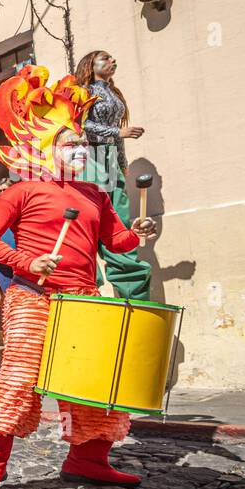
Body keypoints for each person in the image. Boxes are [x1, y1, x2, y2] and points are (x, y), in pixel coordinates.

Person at [0, 64, 158, 489]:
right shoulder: (21, 191)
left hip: (83, 300)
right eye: (71, 144)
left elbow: (117, 243)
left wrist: (138, 234)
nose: (80, 150)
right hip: (32, 297)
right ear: (47, 148)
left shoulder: (95, 195)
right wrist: (25, 262)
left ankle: (86, 461)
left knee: (92, 386)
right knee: (18, 382)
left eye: (83, 144)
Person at [75, 49, 151, 301]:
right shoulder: (84, 92)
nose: (112, 61)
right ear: (90, 64)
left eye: (113, 58)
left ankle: (130, 290)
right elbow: (82, 126)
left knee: (117, 218)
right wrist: (118, 133)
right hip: (92, 157)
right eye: (105, 58)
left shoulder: (112, 93)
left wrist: (122, 162)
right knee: (93, 217)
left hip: (109, 160)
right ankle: (90, 287)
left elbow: (117, 133)